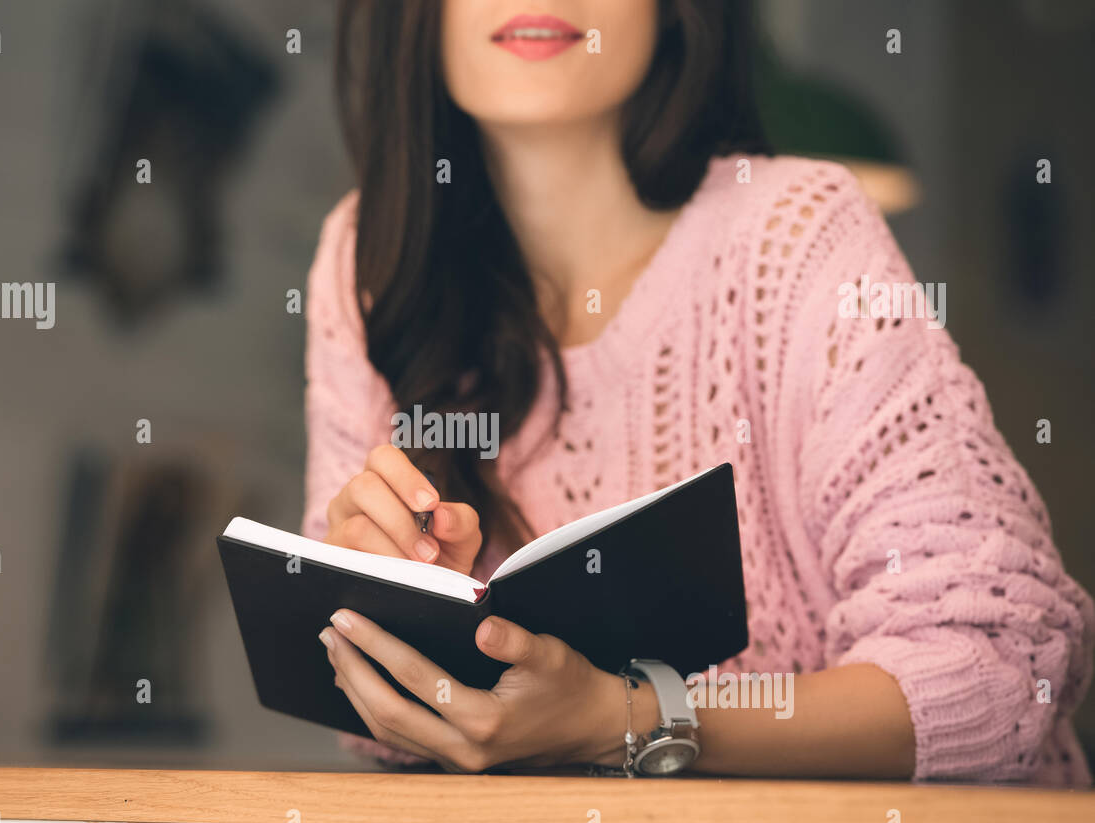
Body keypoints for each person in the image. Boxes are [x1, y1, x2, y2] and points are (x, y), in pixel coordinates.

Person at [300, 0, 1092, 782]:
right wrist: (402, 617)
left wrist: (626, 717)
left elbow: (1006, 666)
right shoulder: (367, 262)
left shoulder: (799, 237)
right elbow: (376, 729)